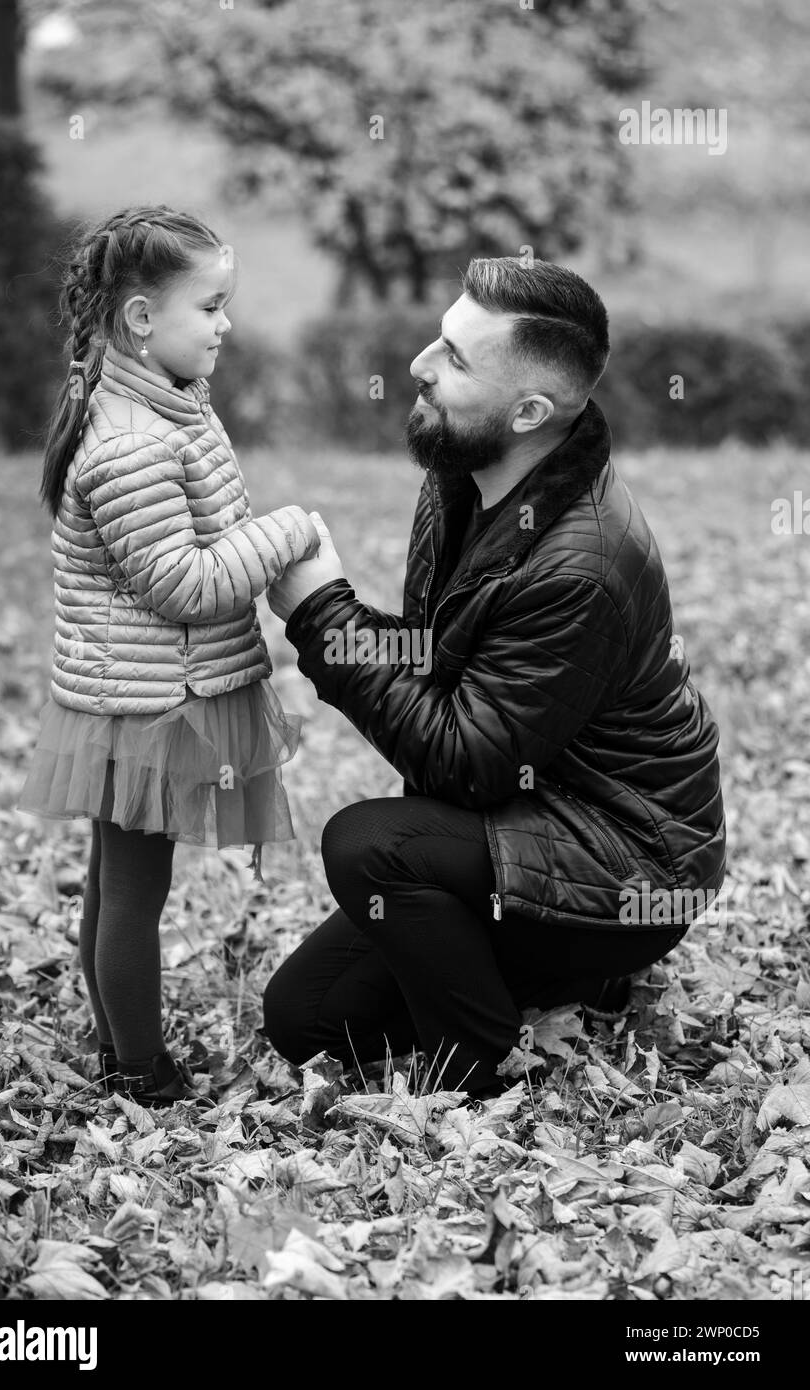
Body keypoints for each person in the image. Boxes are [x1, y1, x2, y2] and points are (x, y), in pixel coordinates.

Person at [261, 257, 727, 1101]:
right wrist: (336, 620)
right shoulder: (463, 473)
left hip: (627, 859)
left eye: (455, 357)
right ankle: (567, 981)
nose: (419, 365)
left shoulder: (582, 563)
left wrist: (323, 616)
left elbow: (466, 761)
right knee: (307, 1019)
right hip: (528, 814)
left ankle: (480, 1068)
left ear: (530, 411)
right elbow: (439, 666)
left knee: (369, 843)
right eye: (439, 338)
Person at [17, 205, 320, 1106]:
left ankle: (119, 1045)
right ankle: (139, 1070)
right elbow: (183, 585)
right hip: (147, 704)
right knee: (131, 897)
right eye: (212, 306)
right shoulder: (132, 447)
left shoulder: (162, 404)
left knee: (116, 886)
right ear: (142, 319)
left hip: (143, 687)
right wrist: (291, 533)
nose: (227, 325)